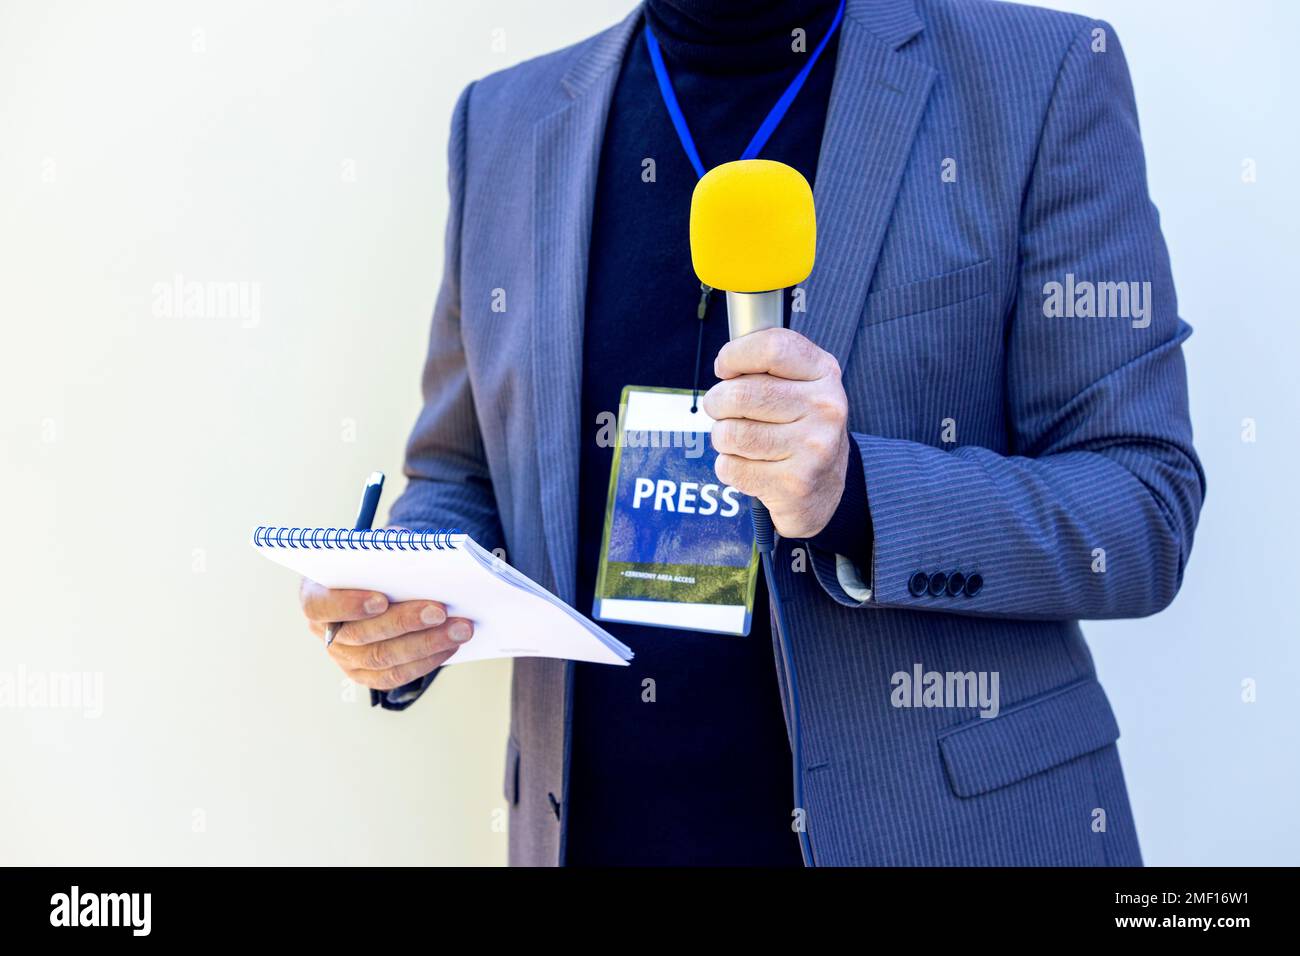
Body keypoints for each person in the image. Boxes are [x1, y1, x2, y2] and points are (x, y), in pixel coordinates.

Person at [299, 0, 1205, 866]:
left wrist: (855, 495)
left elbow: (1142, 507)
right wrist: (399, 604)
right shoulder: (500, 120)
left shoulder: (1038, 79)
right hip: (600, 840)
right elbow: (460, 469)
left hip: (939, 832)